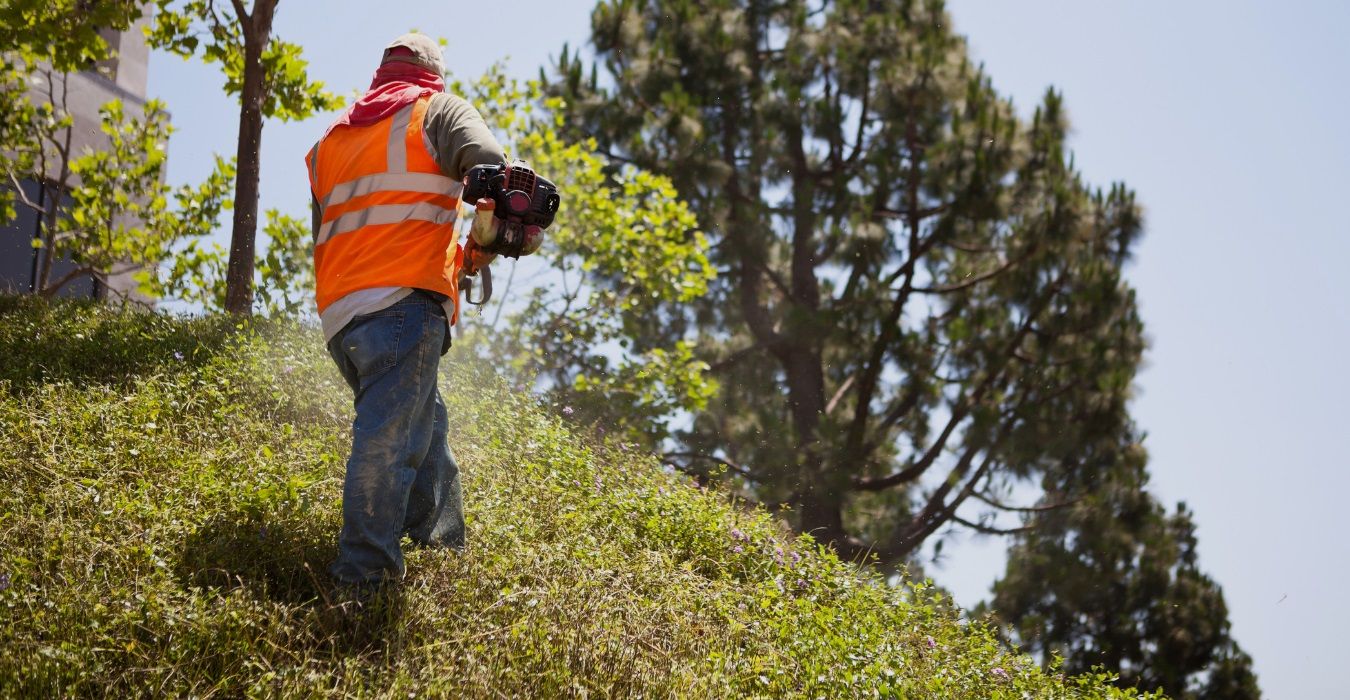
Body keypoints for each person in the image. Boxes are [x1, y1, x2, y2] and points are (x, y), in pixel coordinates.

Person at [305, 33, 504, 590]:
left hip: (343, 316)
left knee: (424, 425)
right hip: (402, 306)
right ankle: (362, 581)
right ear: (432, 74)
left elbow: (351, 230)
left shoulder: (330, 140)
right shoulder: (438, 111)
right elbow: (491, 171)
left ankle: (441, 549)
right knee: (387, 442)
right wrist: (488, 237)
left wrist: (463, 258)